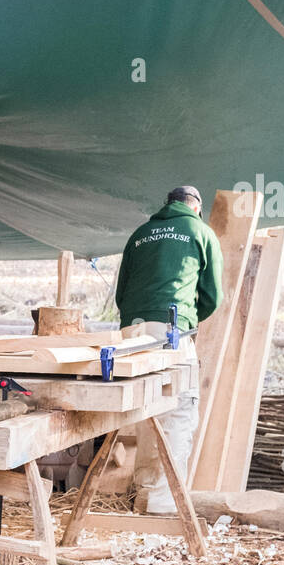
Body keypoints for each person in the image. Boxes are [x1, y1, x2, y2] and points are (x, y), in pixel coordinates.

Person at [114, 185, 223, 513]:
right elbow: (212, 295)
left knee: (148, 409)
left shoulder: (140, 233)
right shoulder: (200, 231)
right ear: (196, 208)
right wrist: (189, 320)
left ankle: (141, 493)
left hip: (132, 330)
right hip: (171, 329)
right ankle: (163, 506)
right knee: (179, 413)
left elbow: (122, 291)